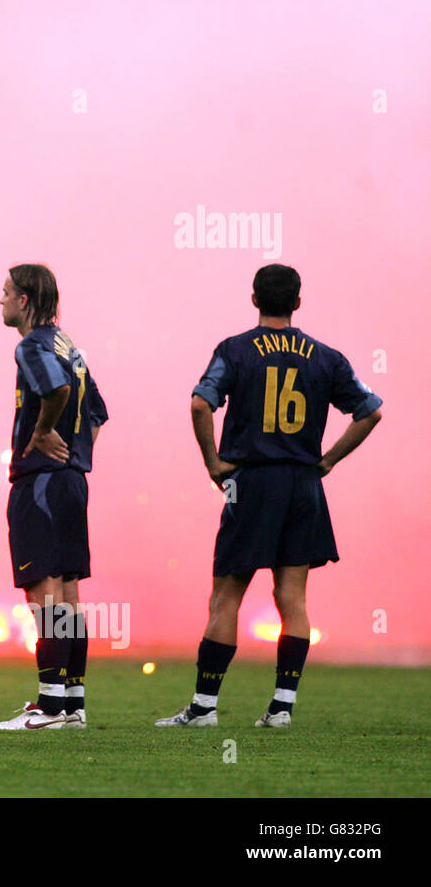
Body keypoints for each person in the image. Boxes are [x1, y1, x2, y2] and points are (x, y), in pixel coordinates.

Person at [156, 264, 382, 729]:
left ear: (254, 299)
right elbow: (370, 411)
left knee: (226, 597)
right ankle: (281, 708)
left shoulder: (236, 350)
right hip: (303, 484)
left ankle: (203, 708)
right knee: (292, 598)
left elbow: (201, 402)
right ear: (298, 302)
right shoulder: (326, 357)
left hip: (252, 482)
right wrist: (329, 459)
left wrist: (213, 461)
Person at [0, 264, 107, 730]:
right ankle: (72, 704)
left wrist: (42, 435)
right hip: (71, 482)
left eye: (5, 293)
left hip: (39, 480)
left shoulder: (34, 345)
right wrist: (74, 456)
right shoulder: (71, 346)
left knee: (44, 594)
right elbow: (96, 411)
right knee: (68, 595)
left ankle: (49, 706)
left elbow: (56, 390)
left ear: (24, 300)